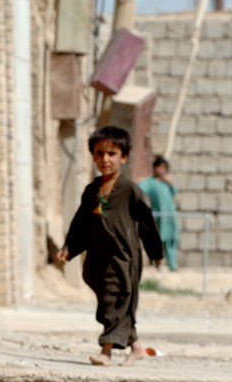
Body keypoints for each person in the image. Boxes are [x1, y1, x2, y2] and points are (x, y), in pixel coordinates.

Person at [55, 126, 163, 367]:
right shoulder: (92, 191)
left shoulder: (130, 191)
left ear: (123, 157)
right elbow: (80, 223)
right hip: (98, 258)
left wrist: (155, 252)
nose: (105, 159)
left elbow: (146, 222)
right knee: (112, 302)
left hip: (124, 257)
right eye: (99, 153)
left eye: (112, 153)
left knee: (114, 299)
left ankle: (106, 351)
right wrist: (70, 247)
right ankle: (136, 347)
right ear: (93, 156)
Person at [137, 155, 180, 270]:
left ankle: (173, 266)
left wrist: (170, 183)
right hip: (159, 218)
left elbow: (174, 192)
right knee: (158, 241)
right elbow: (139, 188)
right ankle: (157, 265)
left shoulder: (167, 183)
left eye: (164, 167)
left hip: (170, 217)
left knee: (171, 241)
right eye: (159, 167)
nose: (161, 170)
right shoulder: (151, 183)